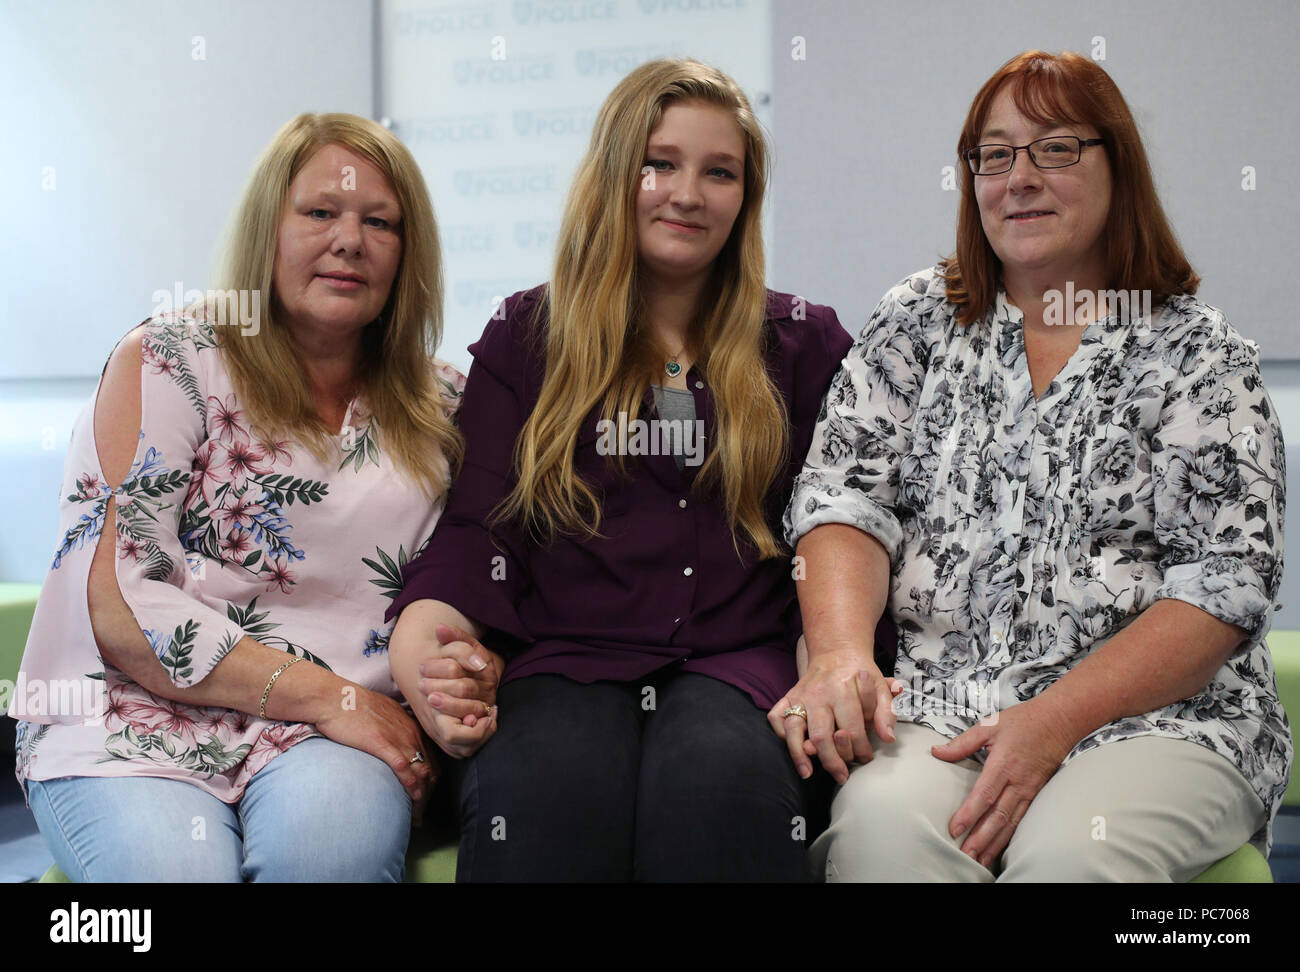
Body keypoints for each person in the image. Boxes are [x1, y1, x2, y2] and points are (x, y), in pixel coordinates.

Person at [778, 50, 1291, 882]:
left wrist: (1051, 722)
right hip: (945, 708)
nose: (1019, 177)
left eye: (1056, 148)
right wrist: (840, 655)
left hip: (1161, 723)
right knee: (879, 838)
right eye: (995, 153)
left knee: (1068, 856)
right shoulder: (918, 322)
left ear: (1117, 167)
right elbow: (844, 497)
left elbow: (1222, 588)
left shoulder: (1199, 355)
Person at [386, 58, 888, 882]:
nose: (687, 193)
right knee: (547, 795)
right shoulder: (524, 335)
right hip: (563, 660)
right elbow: (479, 531)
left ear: (745, 198)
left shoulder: (807, 343)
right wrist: (424, 643)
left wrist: (830, 662)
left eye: (719, 172)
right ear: (616, 174)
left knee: (718, 791)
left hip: (741, 665)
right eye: (660, 163)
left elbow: (841, 527)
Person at [8, 113, 465, 882]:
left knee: (328, 867)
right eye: (320, 212)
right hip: (135, 720)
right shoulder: (169, 360)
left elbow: (469, 579)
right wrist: (330, 697)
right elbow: (121, 606)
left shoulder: (448, 403)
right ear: (268, 229)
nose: (349, 239)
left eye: (379, 222)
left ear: (407, 253)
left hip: (333, 740)